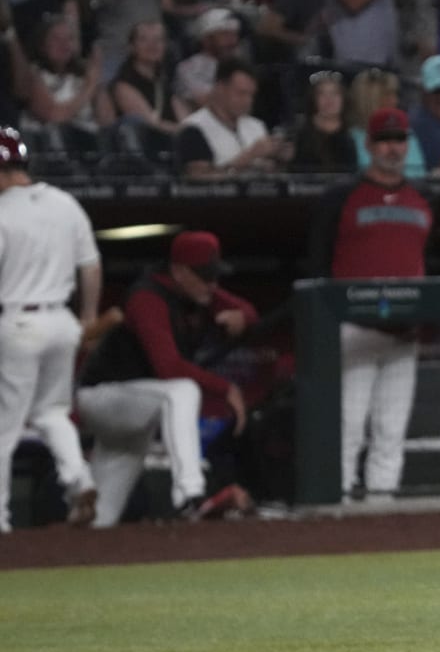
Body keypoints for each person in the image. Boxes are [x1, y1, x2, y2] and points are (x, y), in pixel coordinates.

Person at [77, 231, 255, 527]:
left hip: (136, 413)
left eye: (214, 275)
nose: (212, 284)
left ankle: (71, 552)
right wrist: (225, 389)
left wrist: (243, 319)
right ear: (180, 270)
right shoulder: (148, 296)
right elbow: (168, 367)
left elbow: (248, 311)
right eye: (204, 276)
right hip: (102, 397)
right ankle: (189, 495)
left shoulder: (197, 292)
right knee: (181, 390)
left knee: (101, 520)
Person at [308, 107, 433, 500]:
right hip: (353, 326)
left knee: (392, 429)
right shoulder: (341, 197)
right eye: (384, 140)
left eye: (399, 140)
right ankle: (339, 504)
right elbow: (318, 263)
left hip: (405, 329)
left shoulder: (422, 199)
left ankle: (382, 507)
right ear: (368, 144)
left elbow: (422, 259)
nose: (392, 148)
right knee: (347, 426)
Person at [0, 127, 100, 531]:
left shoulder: (3, 210)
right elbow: (90, 266)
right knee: (52, 412)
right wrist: (89, 317)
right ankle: (79, 481)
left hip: (19, 321)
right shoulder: (64, 202)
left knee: (4, 426)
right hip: (63, 322)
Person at [176, 60, 289, 179]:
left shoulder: (256, 126)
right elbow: (198, 180)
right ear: (220, 88)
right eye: (241, 93)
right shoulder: (193, 128)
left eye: (251, 95)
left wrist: (279, 159)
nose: (248, 101)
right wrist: (248, 158)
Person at [348, 67, 428, 178]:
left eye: (395, 95)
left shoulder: (407, 134)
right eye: (387, 95)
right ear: (369, 100)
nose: (395, 101)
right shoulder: (351, 138)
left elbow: (419, 175)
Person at [173, 8, 242, 112]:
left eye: (234, 35)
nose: (232, 41)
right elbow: (207, 102)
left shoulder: (240, 66)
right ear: (206, 39)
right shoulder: (188, 67)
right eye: (225, 35)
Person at [289, 70, 358, 173]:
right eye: (322, 94)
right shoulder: (298, 135)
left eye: (335, 93)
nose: (329, 99)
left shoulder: (355, 135)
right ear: (313, 99)